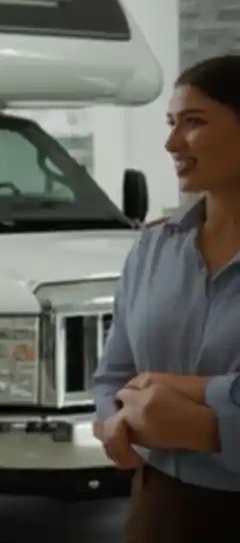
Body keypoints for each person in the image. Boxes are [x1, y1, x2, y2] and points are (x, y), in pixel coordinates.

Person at [92, 54, 240, 542]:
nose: (172, 142)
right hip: (160, 506)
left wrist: (193, 416)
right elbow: (114, 373)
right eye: (172, 123)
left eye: (194, 122)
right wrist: (114, 420)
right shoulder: (154, 249)